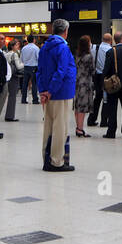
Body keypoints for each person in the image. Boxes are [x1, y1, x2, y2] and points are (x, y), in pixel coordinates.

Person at [36, 19, 76, 171]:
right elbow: (62, 71)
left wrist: (43, 91)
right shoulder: (63, 48)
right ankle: (56, 161)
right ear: (65, 31)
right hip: (62, 92)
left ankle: (46, 158)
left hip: (48, 93)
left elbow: (39, 71)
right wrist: (52, 90)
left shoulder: (45, 47)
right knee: (61, 127)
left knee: (49, 126)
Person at [87, 32, 112, 126]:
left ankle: (91, 119)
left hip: (96, 76)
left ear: (102, 39)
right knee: (106, 99)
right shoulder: (110, 50)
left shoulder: (94, 48)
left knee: (97, 98)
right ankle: (104, 121)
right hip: (105, 77)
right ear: (110, 40)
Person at [73, 35, 94, 137]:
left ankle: (78, 127)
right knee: (83, 107)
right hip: (85, 83)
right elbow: (92, 70)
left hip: (77, 82)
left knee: (77, 106)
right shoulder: (89, 57)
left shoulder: (77, 55)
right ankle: (80, 129)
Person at [3, 37, 21, 122]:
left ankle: (8, 115)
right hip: (14, 76)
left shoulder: (6, 54)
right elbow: (18, 66)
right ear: (13, 46)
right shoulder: (15, 54)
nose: (18, 46)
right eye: (17, 45)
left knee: (8, 95)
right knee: (12, 96)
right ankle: (10, 116)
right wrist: (24, 64)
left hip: (7, 76)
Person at [19, 37, 39, 103]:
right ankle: (35, 99)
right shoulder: (36, 48)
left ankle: (23, 99)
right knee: (34, 84)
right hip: (34, 67)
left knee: (25, 84)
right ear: (34, 40)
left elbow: (21, 59)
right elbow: (38, 58)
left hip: (26, 67)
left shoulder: (24, 48)